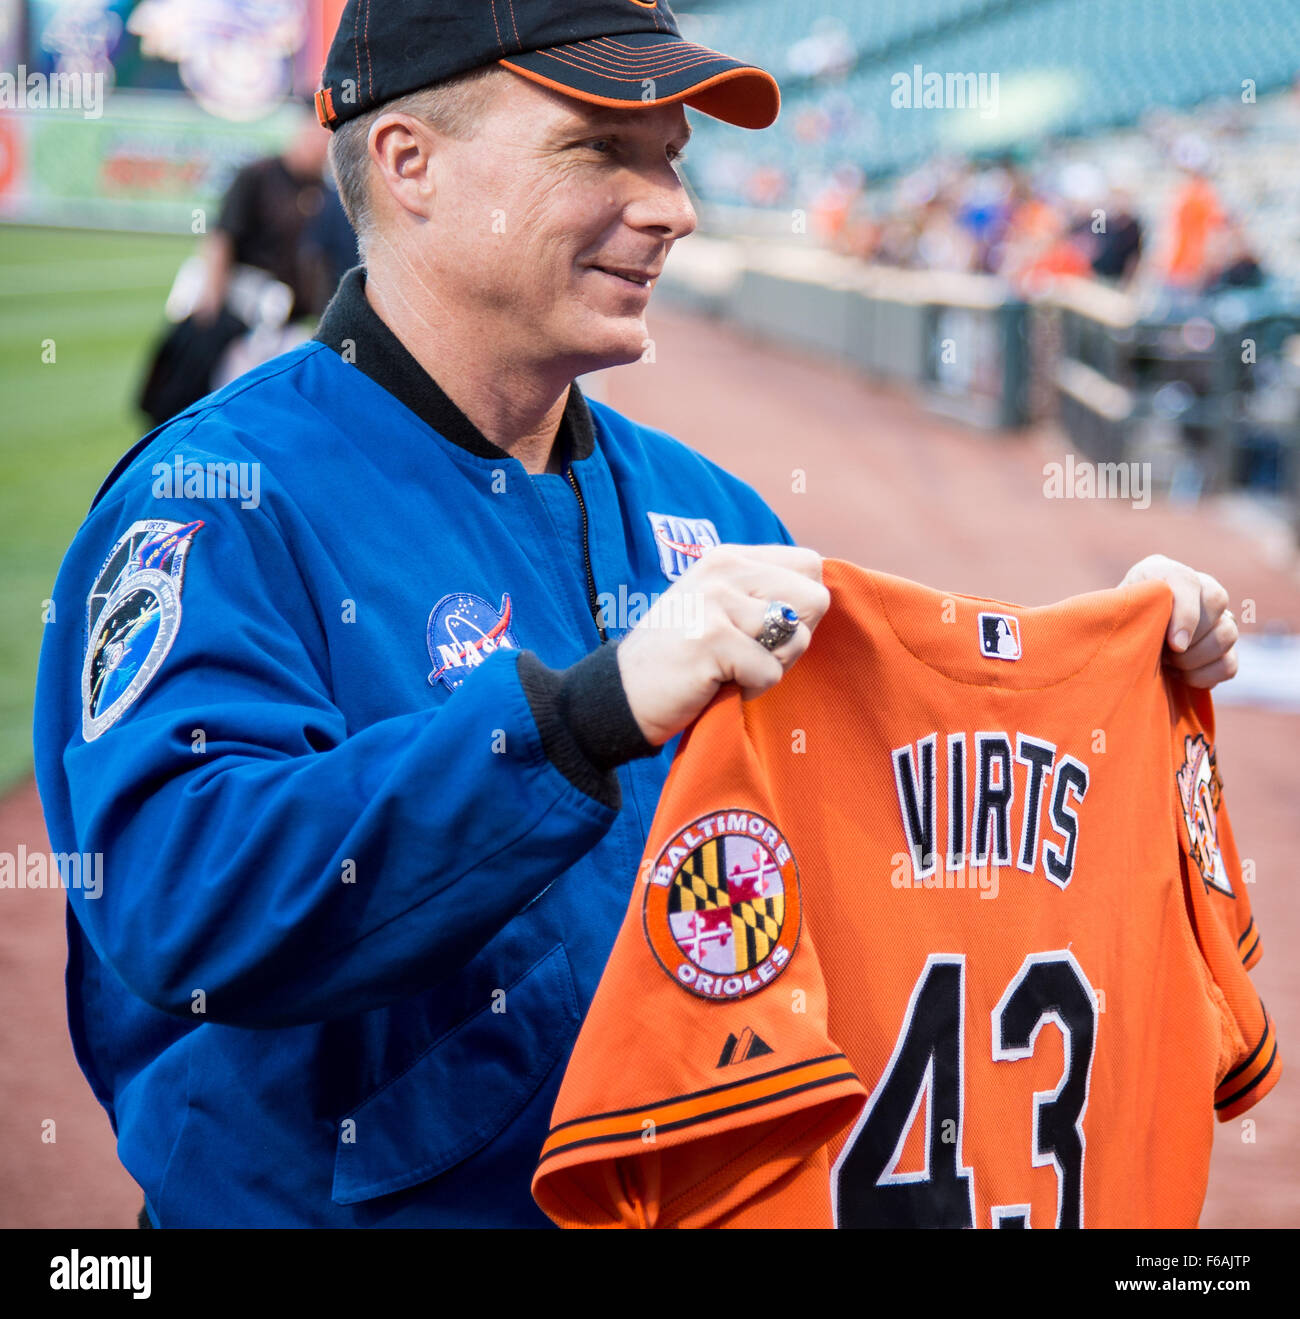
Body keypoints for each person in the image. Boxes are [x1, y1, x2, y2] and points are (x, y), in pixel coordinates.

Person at [34, 0, 1241, 1229]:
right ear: (411, 166)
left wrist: (1096, 673)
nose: (673, 205)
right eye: (599, 149)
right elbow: (179, 901)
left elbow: (876, 826)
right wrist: (578, 717)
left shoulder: (709, 513)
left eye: (670, 156)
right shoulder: (221, 499)